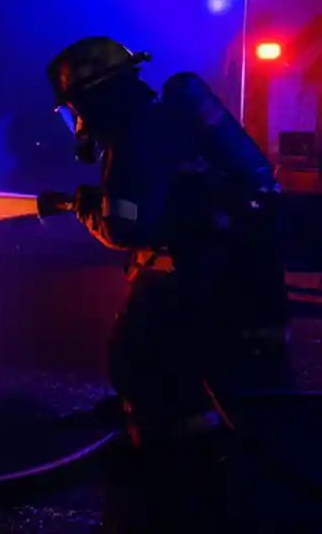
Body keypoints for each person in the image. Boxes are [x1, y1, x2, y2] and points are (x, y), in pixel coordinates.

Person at [40, 36, 289, 446]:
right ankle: (203, 459)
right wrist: (79, 203)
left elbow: (129, 224)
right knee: (203, 383)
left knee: (141, 361)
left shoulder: (134, 134)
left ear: (92, 98)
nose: (78, 124)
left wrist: (88, 208)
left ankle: (173, 469)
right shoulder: (160, 121)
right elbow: (156, 203)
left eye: (74, 110)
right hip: (230, 274)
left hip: (190, 279)